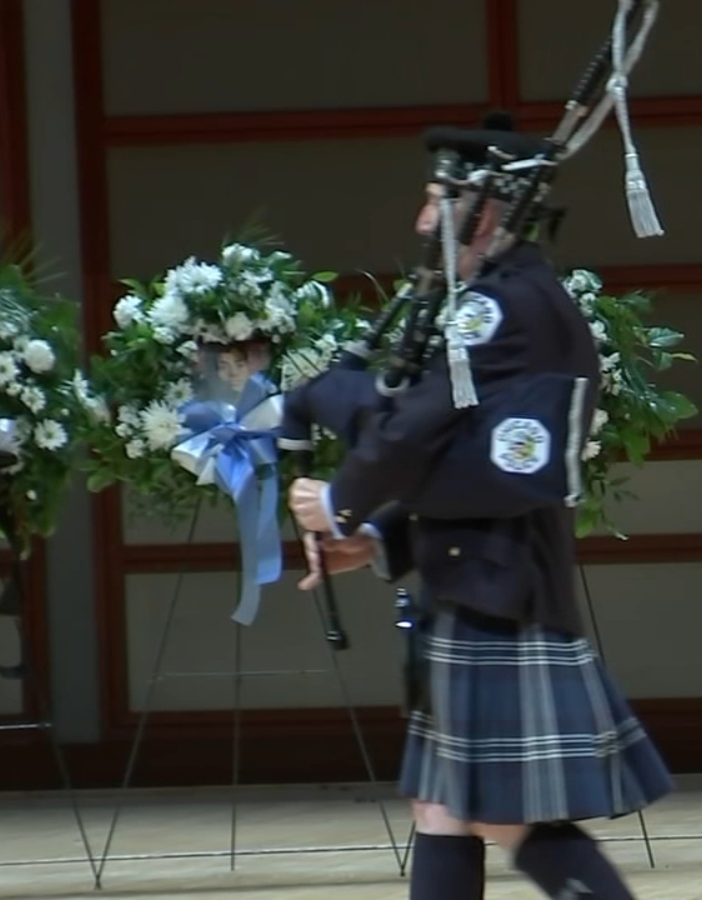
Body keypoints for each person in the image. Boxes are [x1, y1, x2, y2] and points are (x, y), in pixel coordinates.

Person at [286, 118, 672, 900]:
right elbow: (466, 462)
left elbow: (412, 433)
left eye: (440, 201)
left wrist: (337, 499)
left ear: (487, 209)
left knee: (497, 816)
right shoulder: (510, 299)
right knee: (444, 809)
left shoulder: (502, 308)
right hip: (481, 577)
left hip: (501, 590)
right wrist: (384, 541)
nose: (424, 221)